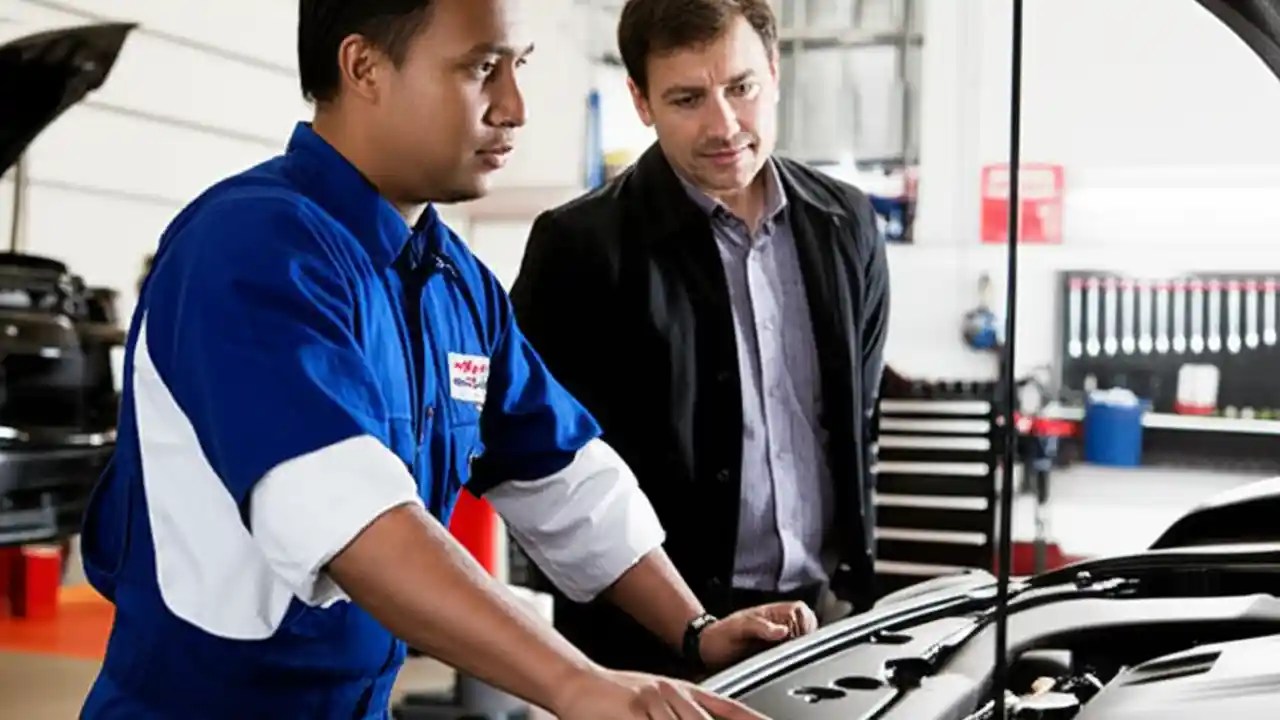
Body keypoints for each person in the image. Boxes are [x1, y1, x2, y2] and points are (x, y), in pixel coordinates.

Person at [76, 1, 818, 718]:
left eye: (517, 65)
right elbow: (356, 522)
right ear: (364, 66)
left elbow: (563, 478)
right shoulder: (250, 251)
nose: (515, 106)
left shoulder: (452, 281)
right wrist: (573, 684)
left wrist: (693, 628)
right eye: (481, 69)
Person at [509, 0, 890, 675]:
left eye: (741, 88)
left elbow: (856, 423)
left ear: (773, 72)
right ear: (641, 100)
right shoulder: (579, 248)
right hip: (646, 643)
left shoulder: (847, 222)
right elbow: (539, 467)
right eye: (686, 98)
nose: (724, 126)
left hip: (822, 619)